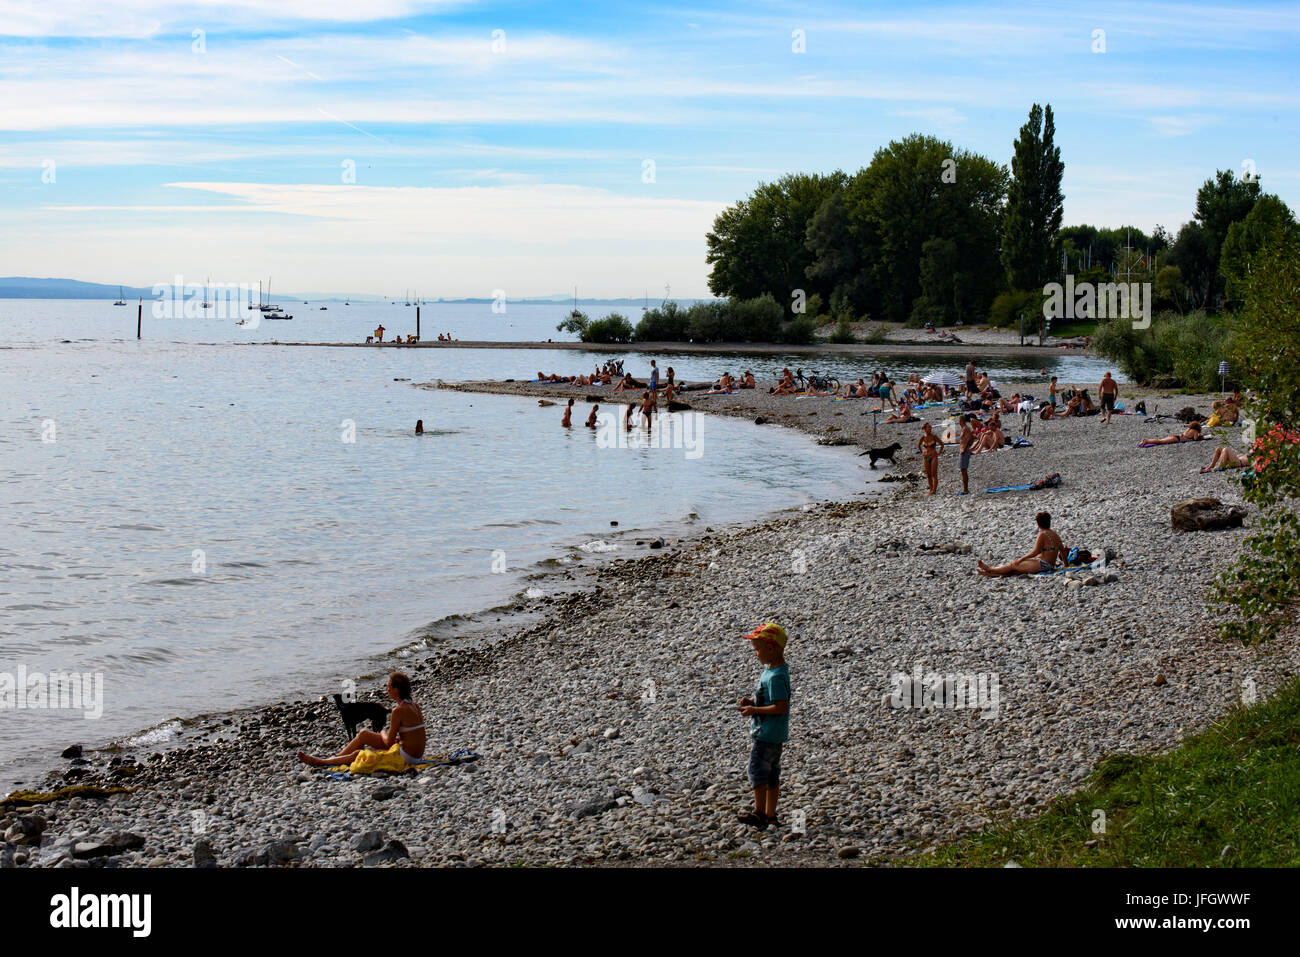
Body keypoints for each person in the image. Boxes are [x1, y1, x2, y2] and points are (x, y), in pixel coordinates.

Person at [298, 672, 425, 768]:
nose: (386, 690)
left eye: (388, 687)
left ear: (396, 689)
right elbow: (414, 734)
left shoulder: (398, 711)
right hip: (415, 754)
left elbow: (388, 743)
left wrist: (382, 733)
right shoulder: (414, 705)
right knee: (364, 734)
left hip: (408, 757)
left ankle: (321, 762)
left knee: (359, 754)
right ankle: (336, 758)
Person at [736, 623, 791, 831]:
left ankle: (759, 813)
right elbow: (768, 699)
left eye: (757, 649)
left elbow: (780, 707)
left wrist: (755, 711)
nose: (755, 654)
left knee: (758, 771)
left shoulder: (776, 676)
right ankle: (770, 815)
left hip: (766, 734)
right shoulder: (773, 671)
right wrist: (752, 702)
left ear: (771, 648)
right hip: (774, 734)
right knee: (771, 774)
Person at [977, 512, 1065, 577]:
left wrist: (1021, 559)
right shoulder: (1055, 534)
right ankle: (991, 574)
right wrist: (1066, 565)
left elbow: (1035, 552)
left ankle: (990, 569)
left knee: (1013, 565)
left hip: (1043, 565)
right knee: (1017, 571)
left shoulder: (1042, 534)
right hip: (1049, 564)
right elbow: (1062, 550)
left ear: (1038, 524)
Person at [917, 422, 942, 495]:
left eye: (930, 427)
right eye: (928, 427)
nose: (930, 429)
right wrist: (922, 452)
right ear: (925, 429)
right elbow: (918, 445)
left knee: (934, 474)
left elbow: (941, 444)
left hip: (933, 456)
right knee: (928, 475)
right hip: (926, 457)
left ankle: (934, 490)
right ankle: (931, 489)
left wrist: (939, 452)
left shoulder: (934, 436)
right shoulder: (923, 437)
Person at [1140, 421, 1204, 446]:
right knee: (1160, 442)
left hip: (1177, 436)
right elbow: (1196, 439)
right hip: (1177, 439)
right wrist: (1199, 435)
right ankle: (1147, 441)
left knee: (1160, 440)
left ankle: (1147, 441)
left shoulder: (1189, 429)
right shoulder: (1195, 431)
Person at [957, 414, 974, 495]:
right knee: (963, 470)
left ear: (961, 421)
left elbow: (968, 439)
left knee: (964, 470)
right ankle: (965, 488)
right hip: (964, 450)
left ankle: (965, 489)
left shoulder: (965, 429)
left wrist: (964, 448)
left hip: (964, 451)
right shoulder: (964, 428)